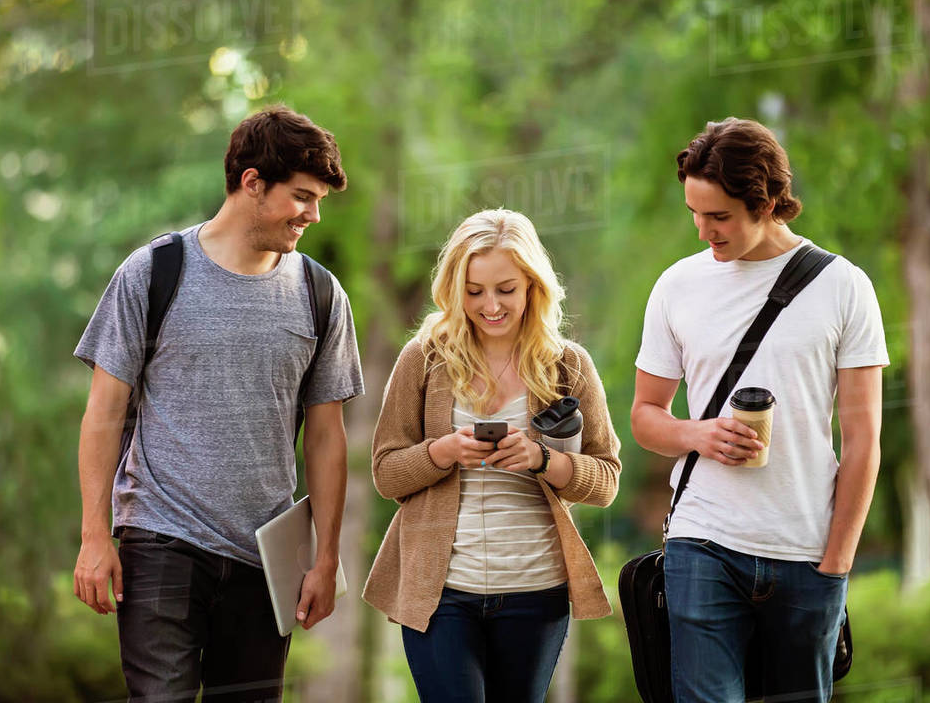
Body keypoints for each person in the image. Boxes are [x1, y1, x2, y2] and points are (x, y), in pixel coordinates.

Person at [72, 105, 364, 702]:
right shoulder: (153, 273)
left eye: (319, 202)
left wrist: (326, 557)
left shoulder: (320, 294)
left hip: (266, 556)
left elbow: (327, 434)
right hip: (160, 542)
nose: (312, 215)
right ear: (252, 183)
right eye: (302, 197)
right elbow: (103, 411)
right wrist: (94, 536)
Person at [631, 117, 888, 703]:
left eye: (718, 216)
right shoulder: (676, 287)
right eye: (694, 213)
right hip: (703, 541)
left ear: (768, 201)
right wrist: (697, 435)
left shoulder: (844, 288)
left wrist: (836, 567)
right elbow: (646, 415)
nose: (703, 232)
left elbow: (864, 438)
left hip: (807, 553)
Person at [363, 209, 621, 703]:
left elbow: (606, 481)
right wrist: (442, 451)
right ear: (454, 288)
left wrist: (542, 459)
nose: (491, 305)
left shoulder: (568, 365)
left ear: (532, 285)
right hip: (440, 594)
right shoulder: (423, 359)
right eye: (474, 290)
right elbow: (386, 473)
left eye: (506, 289)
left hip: (536, 591)